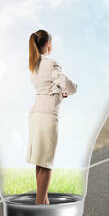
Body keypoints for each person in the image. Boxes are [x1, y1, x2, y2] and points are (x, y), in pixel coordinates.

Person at [27, 29, 77, 205]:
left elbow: (47, 87)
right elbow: (69, 86)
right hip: (48, 115)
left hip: (35, 115)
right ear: (48, 44)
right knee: (47, 163)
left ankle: (44, 202)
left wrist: (58, 91)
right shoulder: (51, 64)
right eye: (51, 42)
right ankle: (40, 206)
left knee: (39, 162)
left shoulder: (34, 66)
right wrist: (70, 89)